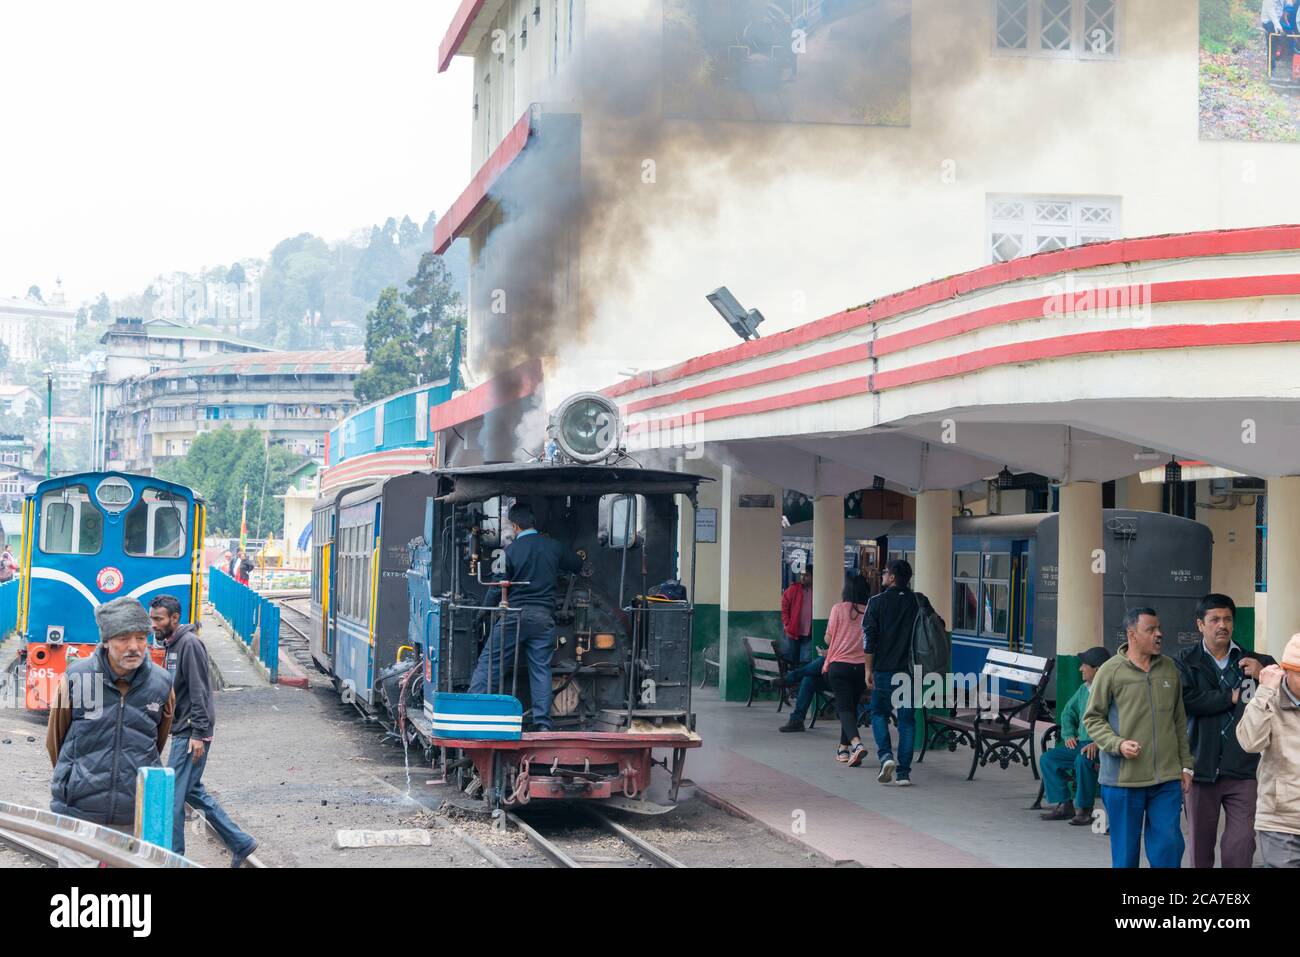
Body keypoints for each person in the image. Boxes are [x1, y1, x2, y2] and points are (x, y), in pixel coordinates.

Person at [46, 597, 176, 861]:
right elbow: (55, 741)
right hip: (79, 813)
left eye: (141, 638)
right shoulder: (78, 677)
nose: (134, 647)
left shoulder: (161, 684)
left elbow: (157, 743)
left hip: (134, 815)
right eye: (123, 638)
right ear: (105, 641)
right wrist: (75, 779)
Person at [149, 595, 258, 868]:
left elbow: (200, 693)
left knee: (173, 797)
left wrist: (198, 734)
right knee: (191, 791)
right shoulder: (173, 645)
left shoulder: (190, 645)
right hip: (184, 730)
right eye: (152, 619)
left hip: (190, 733)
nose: (154, 625)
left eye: (158, 619)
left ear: (174, 618)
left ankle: (173, 858)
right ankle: (240, 842)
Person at [1083, 608, 1194, 869]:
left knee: (1169, 846)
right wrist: (1117, 744)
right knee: (1125, 855)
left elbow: (1179, 719)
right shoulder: (1110, 671)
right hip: (1123, 780)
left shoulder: (1169, 668)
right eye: (1151, 630)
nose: (1159, 634)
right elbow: (1093, 718)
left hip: (1166, 778)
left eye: (1159, 628)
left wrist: (1186, 765)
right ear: (1132, 634)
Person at [1175, 593, 1277, 869]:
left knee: (1242, 844)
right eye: (1215, 619)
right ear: (1200, 624)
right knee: (1200, 846)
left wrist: (1263, 673)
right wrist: (1228, 697)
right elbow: (1184, 701)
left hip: (1244, 767)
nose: (1223, 625)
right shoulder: (1184, 662)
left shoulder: (1256, 661)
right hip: (1200, 767)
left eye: (1228, 619)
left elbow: (1283, 697)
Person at [469, 502, 583, 730]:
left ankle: (474, 712)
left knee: (490, 663)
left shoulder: (509, 552)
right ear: (533, 523)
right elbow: (577, 564)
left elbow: (495, 588)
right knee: (541, 669)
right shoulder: (553, 546)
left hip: (515, 616)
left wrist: (481, 614)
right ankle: (543, 723)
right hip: (543, 617)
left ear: (515, 526)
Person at [1236, 633, 1300, 868]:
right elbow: (1249, 742)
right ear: (1287, 671)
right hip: (1281, 821)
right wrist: (1264, 691)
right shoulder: (1268, 699)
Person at [863, 558, 920, 786]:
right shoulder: (918, 601)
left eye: (885, 572)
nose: (883, 575)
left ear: (893, 577)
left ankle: (886, 756)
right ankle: (904, 773)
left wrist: (868, 669)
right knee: (907, 720)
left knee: (878, 713)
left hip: (884, 670)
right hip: (910, 671)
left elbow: (869, 639)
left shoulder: (876, 602)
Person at [1040, 646, 1110, 824]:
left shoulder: (1112, 691)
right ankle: (1065, 805)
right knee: (1049, 759)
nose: (1080, 668)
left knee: (1083, 761)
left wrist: (1098, 743)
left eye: (1085, 665)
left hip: (1104, 747)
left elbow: (1118, 723)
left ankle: (1085, 810)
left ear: (1098, 669)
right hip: (1081, 743)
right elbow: (1067, 713)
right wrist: (1069, 733)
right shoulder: (1083, 689)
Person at [823, 577, 872, 766]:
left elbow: (828, 639)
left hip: (839, 666)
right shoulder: (869, 611)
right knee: (850, 708)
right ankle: (843, 749)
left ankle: (857, 745)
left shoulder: (838, 608)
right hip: (861, 668)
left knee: (844, 708)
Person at [775, 653, 829, 733]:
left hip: (848, 677)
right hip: (836, 674)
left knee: (823, 660)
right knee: (809, 679)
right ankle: (797, 721)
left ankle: (790, 678)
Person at [779, 566, 814, 669]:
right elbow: (784, 606)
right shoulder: (793, 589)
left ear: (813, 576)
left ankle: (801, 683)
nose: (803, 577)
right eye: (802, 575)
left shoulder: (817, 591)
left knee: (805, 662)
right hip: (793, 632)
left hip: (809, 633)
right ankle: (792, 683)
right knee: (792, 662)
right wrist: (787, 624)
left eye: (806, 575)